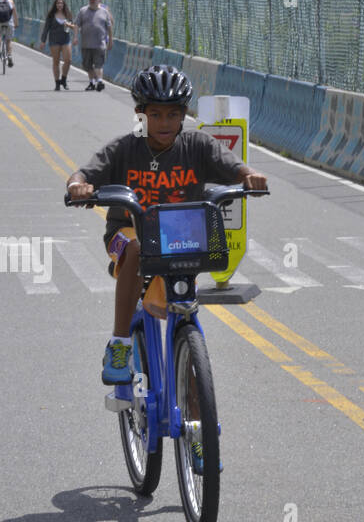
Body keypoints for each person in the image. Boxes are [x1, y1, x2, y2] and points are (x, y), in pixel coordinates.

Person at [65, 65, 268, 384]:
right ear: (140, 114)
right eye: (155, 114)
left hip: (178, 237)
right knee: (134, 247)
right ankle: (119, 344)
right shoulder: (124, 148)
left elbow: (236, 167)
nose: (164, 123)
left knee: (186, 317)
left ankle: (196, 424)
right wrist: (79, 186)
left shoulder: (198, 145)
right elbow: (83, 174)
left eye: (172, 115)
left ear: (184, 114)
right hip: (126, 232)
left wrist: (249, 177)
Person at [72, 0, 114, 90]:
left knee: (98, 64)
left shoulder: (104, 12)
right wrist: (75, 37)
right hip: (86, 44)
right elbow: (77, 24)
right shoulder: (83, 11)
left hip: (100, 44)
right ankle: (92, 83)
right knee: (87, 65)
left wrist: (111, 40)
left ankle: (99, 81)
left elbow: (109, 27)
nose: (91, 1)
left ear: (99, 0)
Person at [40, 0, 75, 89]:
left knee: (68, 60)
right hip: (54, 40)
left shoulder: (68, 14)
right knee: (56, 62)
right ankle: (57, 83)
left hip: (65, 40)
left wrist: (69, 24)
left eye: (61, 3)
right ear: (55, 5)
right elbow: (46, 28)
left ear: (64, 5)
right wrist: (43, 41)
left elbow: (73, 26)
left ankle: (63, 79)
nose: (60, 5)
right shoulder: (51, 15)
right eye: (58, 3)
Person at [0, 0, 18, 66]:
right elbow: (15, 15)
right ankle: (9, 55)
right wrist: (16, 24)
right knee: (9, 40)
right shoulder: (10, 1)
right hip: (9, 23)